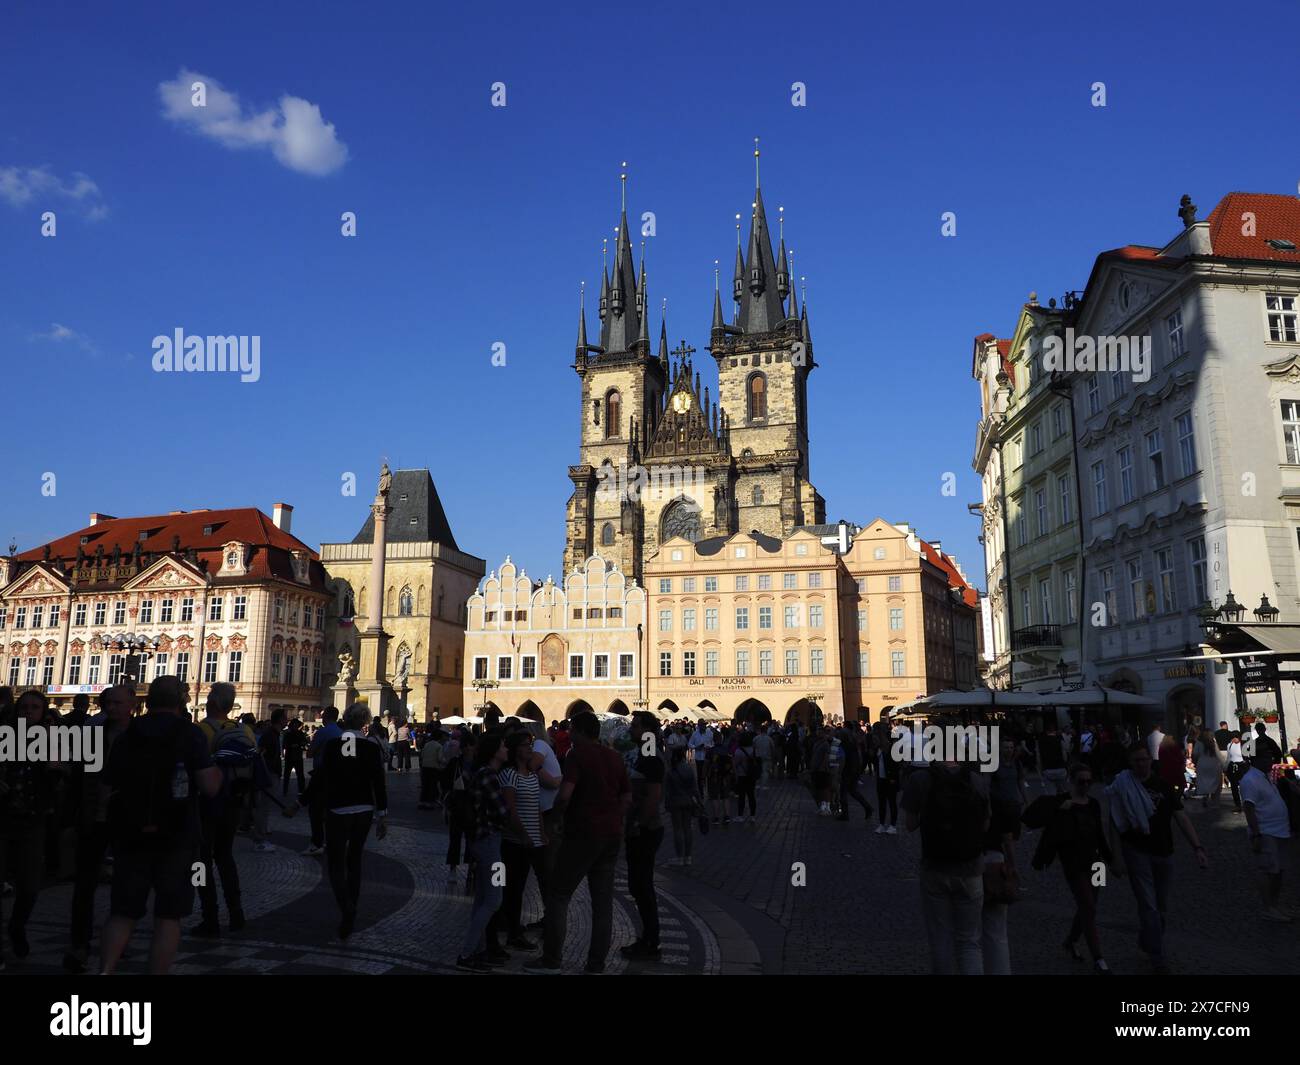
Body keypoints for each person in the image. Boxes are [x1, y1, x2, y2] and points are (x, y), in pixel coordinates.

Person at [100, 677, 221, 974]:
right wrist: (218, 772)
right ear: (181, 701)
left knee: (122, 912)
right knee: (168, 916)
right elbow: (209, 786)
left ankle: (104, 971)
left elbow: (108, 785)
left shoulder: (129, 733)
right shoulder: (190, 733)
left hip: (131, 833)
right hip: (177, 835)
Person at [525, 711, 630, 975]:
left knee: (558, 895)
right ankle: (596, 965)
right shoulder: (615, 757)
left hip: (583, 834)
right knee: (603, 903)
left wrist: (557, 819)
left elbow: (565, 794)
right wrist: (616, 819)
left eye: (572, 729)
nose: (569, 733)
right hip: (611, 836)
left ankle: (551, 960)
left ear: (582, 732)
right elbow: (627, 797)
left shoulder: (577, 755)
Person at [1106, 744, 1208, 972]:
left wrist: (1197, 847)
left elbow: (1181, 817)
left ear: (1150, 760)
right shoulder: (1122, 786)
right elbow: (1115, 822)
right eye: (1136, 761)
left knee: (1160, 907)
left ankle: (1146, 941)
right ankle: (1157, 956)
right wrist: (1116, 857)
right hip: (1136, 851)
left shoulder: (1163, 785)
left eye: (1143, 759)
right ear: (1130, 763)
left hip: (1164, 850)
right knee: (1149, 906)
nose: (1140, 764)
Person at [63, 684, 135, 972]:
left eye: (118, 703)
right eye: (108, 703)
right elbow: (76, 777)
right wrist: (71, 817)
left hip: (125, 820)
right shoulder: (91, 735)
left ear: (131, 705)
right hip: (92, 817)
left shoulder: (139, 737)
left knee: (125, 885)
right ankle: (79, 944)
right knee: (85, 885)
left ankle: (120, 938)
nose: (112, 708)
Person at [901, 753, 990, 975]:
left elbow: (910, 824)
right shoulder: (975, 779)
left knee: (940, 939)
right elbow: (986, 824)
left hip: (935, 866)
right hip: (970, 868)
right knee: (969, 941)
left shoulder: (920, 779)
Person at [315, 703, 388, 941]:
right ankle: (352, 908)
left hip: (338, 808)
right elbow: (378, 781)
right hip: (364, 809)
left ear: (345, 720)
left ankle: (346, 906)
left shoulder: (334, 745)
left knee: (335, 862)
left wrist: (301, 801)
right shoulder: (371, 747)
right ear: (364, 722)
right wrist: (382, 814)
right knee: (354, 860)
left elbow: (322, 777)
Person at [1031, 762, 1112, 973]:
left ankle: (1071, 941)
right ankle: (1098, 958)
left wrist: (1111, 860)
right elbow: (1031, 817)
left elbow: (1100, 834)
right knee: (1088, 905)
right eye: (1081, 781)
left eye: (1089, 781)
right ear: (1072, 781)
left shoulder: (1094, 804)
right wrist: (1058, 808)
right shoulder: (1061, 802)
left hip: (1096, 863)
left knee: (1090, 906)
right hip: (1073, 863)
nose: (1085, 785)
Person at [193, 683, 257, 936]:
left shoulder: (200, 731)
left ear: (213, 703)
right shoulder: (245, 731)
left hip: (206, 803)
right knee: (225, 857)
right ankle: (236, 912)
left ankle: (208, 915)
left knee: (200, 861)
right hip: (233, 803)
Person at [0, 690, 57, 970]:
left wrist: (57, 768)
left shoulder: (51, 740)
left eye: (35, 707)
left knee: (31, 886)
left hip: (33, 821)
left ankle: (17, 925)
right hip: (2, 818)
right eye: (24, 707)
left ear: (43, 712)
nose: (29, 711)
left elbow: (66, 773)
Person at [488, 730, 550, 953]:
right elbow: (510, 810)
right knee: (509, 888)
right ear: (516, 750)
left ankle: (512, 928)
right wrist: (523, 835)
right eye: (525, 745)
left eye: (530, 744)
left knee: (518, 887)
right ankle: (509, 932)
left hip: (531, 842)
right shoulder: (509, 775)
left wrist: (541, 833)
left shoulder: (532, 775)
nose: (530, 748)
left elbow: (536, 806)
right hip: (513, 842)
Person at [457, 731, 509, 972]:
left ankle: (477, 950)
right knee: (494, 899)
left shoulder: (482, 773)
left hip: (482, 842)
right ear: (494, 752)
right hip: (490, 844)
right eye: (503, 746)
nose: (506, 749)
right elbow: (503, 812)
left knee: (481, 899)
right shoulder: (489, 776)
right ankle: (467, 953)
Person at [622, 712, 665, 961]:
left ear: (647, 730)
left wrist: (639, 823)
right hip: (641, 827)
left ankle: (651, 941)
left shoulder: (650, 755)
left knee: (642, 885)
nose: (631, 729)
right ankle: (649, 937)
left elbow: (653, 795)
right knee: (638, 885)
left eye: (635, 726)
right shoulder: (645, 752)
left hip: (645, 829)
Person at [1240, 762, 1293, 922]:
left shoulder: (1266, 776)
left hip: (1280, 830)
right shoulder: (1250, 779)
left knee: (1279, 870)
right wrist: (1256, 834)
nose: (1270, 759)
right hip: (1265, 831)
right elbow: (1249, 808)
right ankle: (1269, 907)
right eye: (1266, 754)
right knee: (1268, 870)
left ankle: (1275, 905)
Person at [304, 706, 341, 854]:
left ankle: (317, 842)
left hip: (321, 775)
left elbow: (310, 753)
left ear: (326, 717)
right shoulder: (342, 732)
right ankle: (332, 841)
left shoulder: (323, 732)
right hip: (337, 776)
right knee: (331, 811)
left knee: (316, 810)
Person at [664, 746, 699, 865]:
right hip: (688, 800)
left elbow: (667, 791)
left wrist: (666, 803)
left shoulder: (671, 771)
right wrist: (698, 801)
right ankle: (688, 857)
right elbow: (695, 788)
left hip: (675, 801)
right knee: (687, 828)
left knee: (677, 829)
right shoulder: (689, 769)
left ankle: (679, 857)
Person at [835, 724, 872, 823]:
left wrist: (839, 772)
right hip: (854, 770)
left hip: (847, 770)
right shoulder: (853, 744)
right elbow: (859, 757)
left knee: (843, 792)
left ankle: (845, 814)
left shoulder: (844, 745)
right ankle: (867, 807)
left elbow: (843, 759)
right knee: (853, 791)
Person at [871, 720, 900, 834]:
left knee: (892, 802)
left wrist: (893, 778)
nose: (874, 739)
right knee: (881, 802)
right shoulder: (877, 749)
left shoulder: (891, 747)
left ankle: (893, 825)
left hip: (890, 779)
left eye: (876, 737)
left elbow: (896, 764)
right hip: (881, 779)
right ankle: (881, 824)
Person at [733, 733, 760, 823]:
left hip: (742, 775)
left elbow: (735, 764)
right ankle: (753, 816)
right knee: (751, 795)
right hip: (751, 776)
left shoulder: (738, 751)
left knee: (741, 796)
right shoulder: (754, 750)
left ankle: (740, 816)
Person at [706, 736, 732, 825]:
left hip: (714, 776)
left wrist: (704, 776)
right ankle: (727, 816)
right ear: (721, 739)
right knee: (725, 797)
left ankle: (716, 817)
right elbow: (731, 762)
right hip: (725, 776)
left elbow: (706, 764)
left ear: (713, 740)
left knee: (714, 797)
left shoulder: (710, 751)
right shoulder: (726, 749)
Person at [1193, 731, 1223, 806]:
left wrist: (1195, 762)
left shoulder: (1198, 743)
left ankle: (1205, 798)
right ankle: (1215, 800)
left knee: (1204, 782)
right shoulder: (1213, 742)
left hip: (1202, 763)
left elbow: (1195, 754)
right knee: (1215, 782)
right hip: (1214, 764)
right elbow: (1218, 753)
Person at [1039, 721, 1068, 795]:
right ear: (1055, 731)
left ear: (1046, 731)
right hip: (1060, 768)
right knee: (1062, 792)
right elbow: (1064, 755)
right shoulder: (1059, 740)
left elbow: (1039, 757)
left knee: (1051, 794)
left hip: (1048, 769)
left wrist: (1041, 769)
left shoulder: (1041, 741)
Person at [418, 728, 443, 809]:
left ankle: (422, 801)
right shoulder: (439, 746)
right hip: (434, 768)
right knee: (432, 785)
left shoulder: (427, 744)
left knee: (425, 785)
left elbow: (422, 755)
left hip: (425, 767)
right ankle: (431, 801)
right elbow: (440, 758)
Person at [282, 718, 308, 796]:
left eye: (297, 725)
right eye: (294, 724)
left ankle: (301, 790)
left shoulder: (300, 733)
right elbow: (284, 744)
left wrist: (300, 744)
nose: (296, 726)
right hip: (290, 756)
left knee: (300, 775)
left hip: (297, 756)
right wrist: (291, 746)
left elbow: (305, 742)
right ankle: (285, 790)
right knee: (287, 775)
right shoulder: (287, 734)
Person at [810, 727, 833, 815]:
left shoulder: (825, 744)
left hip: (822, 769)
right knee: (819, 788)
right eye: (818, 732)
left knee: (825, 788)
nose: (818, 734)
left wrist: (822, 766)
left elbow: (826, 756)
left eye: (820, 732)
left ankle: (827, 807)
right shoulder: (816, 743)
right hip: (816, 768)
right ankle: (822, 806)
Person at [688, 721, 712, 798]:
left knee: (708, 775)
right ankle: (701, 793)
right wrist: (695, 747)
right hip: (699, 758)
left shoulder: (709, 733)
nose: (703, 726)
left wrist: (709, 747)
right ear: (699, 726)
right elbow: (689, 744)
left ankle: (709, 792)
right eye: (702, 725)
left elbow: (713, 743)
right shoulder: (695, 734)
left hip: (707, 757)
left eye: (704, 725)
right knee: (700, 776)